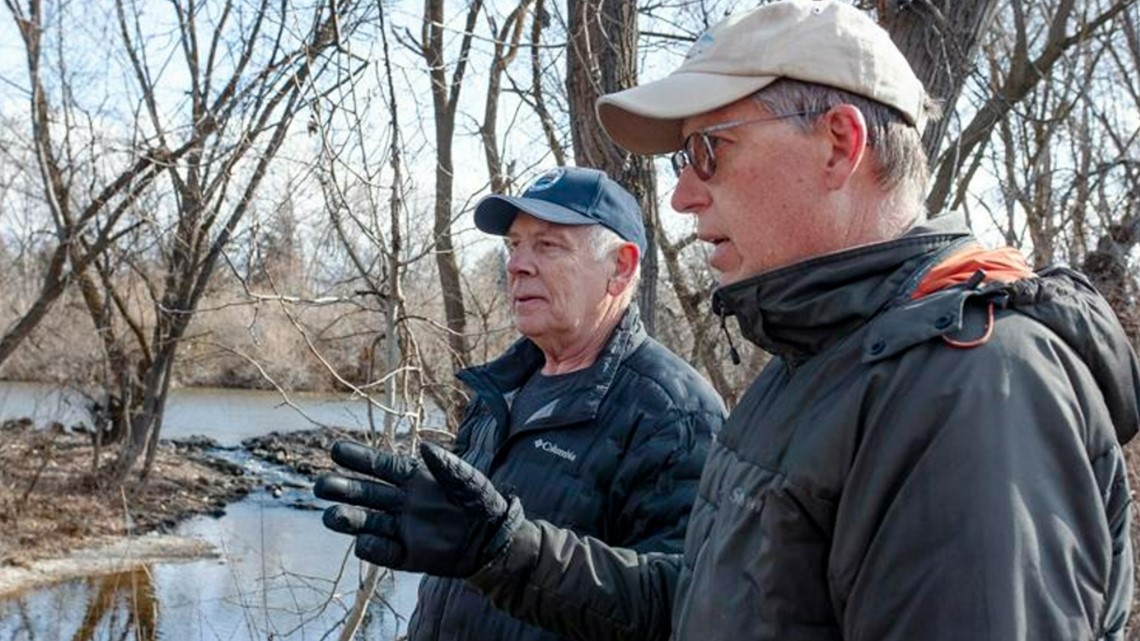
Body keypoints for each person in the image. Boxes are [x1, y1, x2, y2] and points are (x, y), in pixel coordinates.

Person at [316, 2, 1139, 640]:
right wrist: (505, 549)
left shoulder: (973, 384)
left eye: (709, 150)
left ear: (838, 144)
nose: (680, 194)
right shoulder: (809, 369)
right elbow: (701, 606)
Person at [330, 166, 726, 641]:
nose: (517, 265)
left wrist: (504, 547)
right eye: (514, 245)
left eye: (548, 245)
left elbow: (683, 606)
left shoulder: (674, 414)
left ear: (620, 267)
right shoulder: (502, 388)